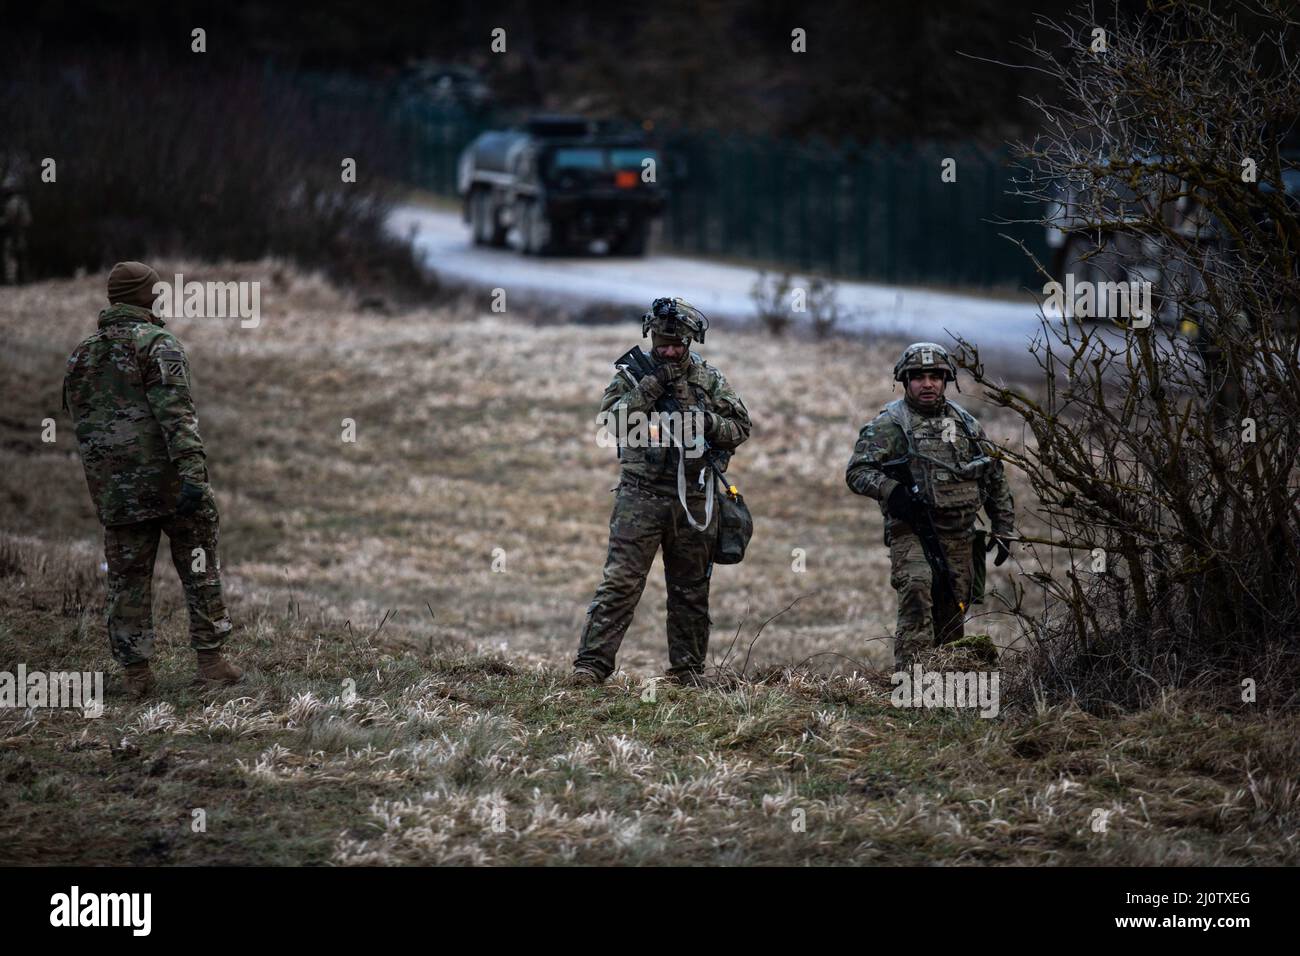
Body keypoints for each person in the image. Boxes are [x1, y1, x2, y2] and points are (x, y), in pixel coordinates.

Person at [63, 261, 240, 697]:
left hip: (117, 492)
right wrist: (194, 477)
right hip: (171, 484)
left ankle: (136, 674)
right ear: (144, 296)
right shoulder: (158, 344)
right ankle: (211, 662)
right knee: (199, 568)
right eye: (154, 291)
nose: (159, 297)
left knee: (126, 579)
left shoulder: (82, 354)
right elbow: (177, 417)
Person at [569, 297, 751, 686]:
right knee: (620, 583)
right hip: (641, 494)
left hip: (694, 494)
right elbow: (612, 423)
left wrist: (704, 423)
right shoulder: (634, 376)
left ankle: (686, 672)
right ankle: (591, 666)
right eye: (661, 343)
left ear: (690, 343)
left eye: (675, 345)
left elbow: (740, 427)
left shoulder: (709, 379)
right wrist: (650, 388)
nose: (667, 350)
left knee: (690, 589)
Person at [846, 342, 1014, 669]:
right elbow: (857, 471)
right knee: (917, 595)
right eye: (919, 377)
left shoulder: (966, 425)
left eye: (935, 376)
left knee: (953, 614)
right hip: (912, 532)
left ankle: (944, 686)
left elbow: (993, 475)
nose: (928, 384)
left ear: (946, 380)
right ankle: (911, 680)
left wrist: (1004, 526)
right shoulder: (892, 424)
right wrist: (891, 491)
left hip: (960, 536)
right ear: (905, 381)